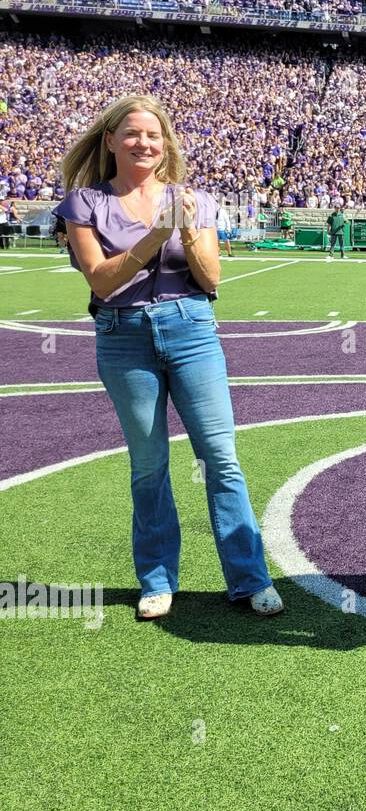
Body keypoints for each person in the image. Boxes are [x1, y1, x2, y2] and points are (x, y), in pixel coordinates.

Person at [55, 94, 284, 621]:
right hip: (123, 334)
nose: (144, 143)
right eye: (132, 134)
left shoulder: (194, 201)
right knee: (149, 464)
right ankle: (157, 580)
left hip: (192, 330)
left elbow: (211, 278)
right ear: (110, 140)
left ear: (165, 145)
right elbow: (102, 282)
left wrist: (183, 230)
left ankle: (249, 579)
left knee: (221, 458)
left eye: (153, 135)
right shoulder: (83, 204)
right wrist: (155, 236)